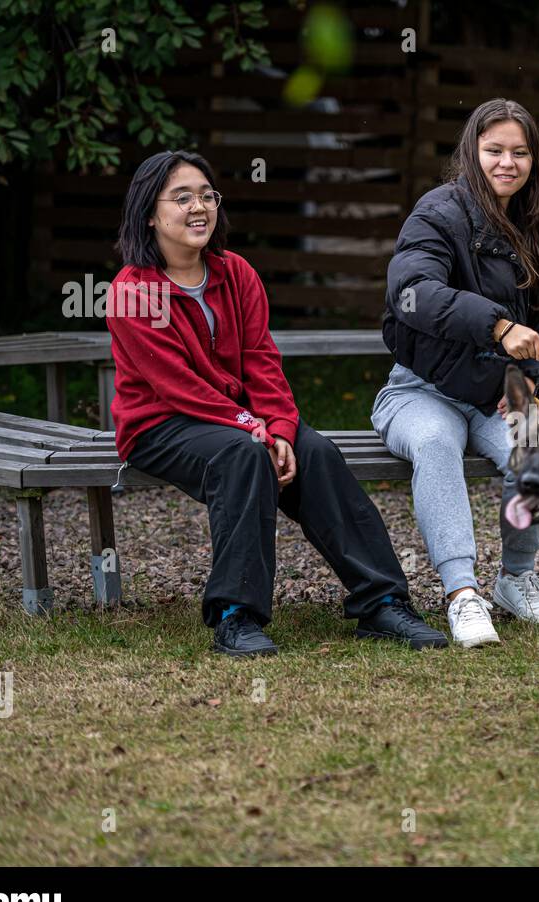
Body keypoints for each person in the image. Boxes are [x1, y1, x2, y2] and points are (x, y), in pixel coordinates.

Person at [107, 150, 447, 656]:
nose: (198, 207)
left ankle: (383, 603)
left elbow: (263, 362)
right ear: (149, 213)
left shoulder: (236, 273)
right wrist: (254, 428)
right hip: (163, 424)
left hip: (244, 420)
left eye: (206, 195)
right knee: (242, 456)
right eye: (182, 198)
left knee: (319, 454)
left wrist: (282, 428)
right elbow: (178, 387)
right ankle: (235, 616)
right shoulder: (132, 292)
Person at [372, 99, 539, 648]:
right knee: (435, 442)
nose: (507, 163)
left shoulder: (532, 221)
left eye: (520, 152)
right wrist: (499, 327)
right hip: (421, 390)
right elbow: (412, 294)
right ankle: (462, 593)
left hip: (494, 392)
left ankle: (515, 578)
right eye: (494, 151)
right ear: (471, 152)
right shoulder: (438, 212)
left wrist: (532, 383)